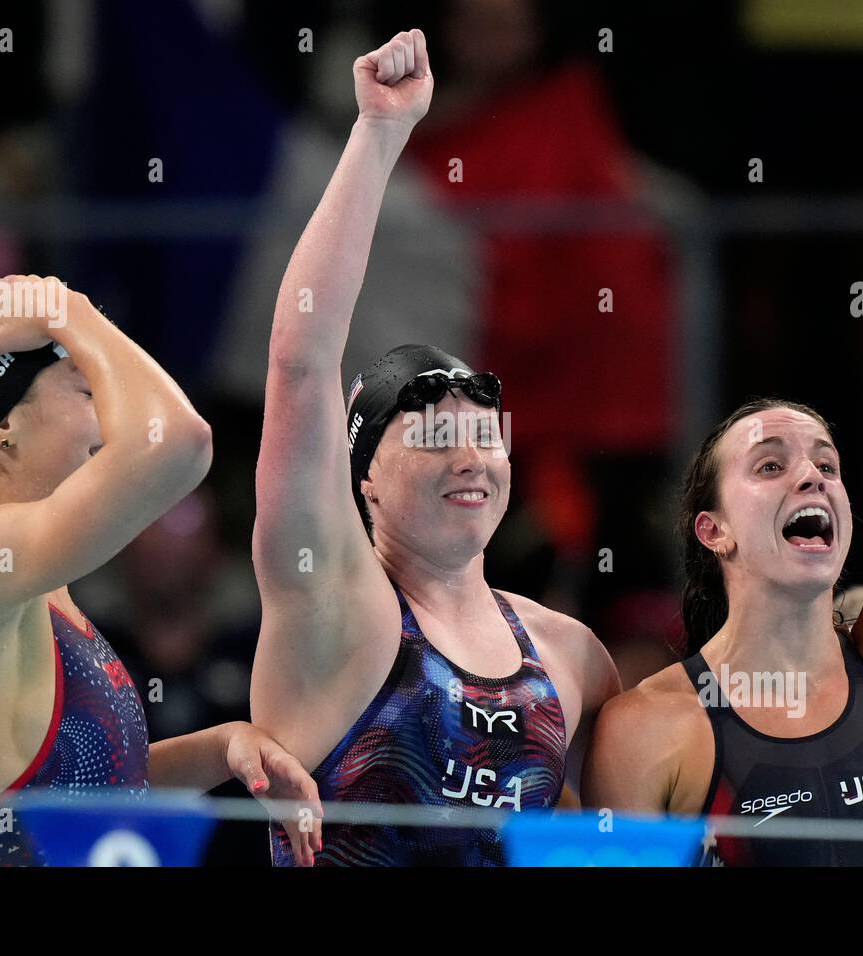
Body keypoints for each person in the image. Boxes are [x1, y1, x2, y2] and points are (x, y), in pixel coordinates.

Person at [583, 38, 863, 866]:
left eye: (826, 464)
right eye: (771, 465)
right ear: (712, 531)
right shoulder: (651, 729)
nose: (812, 474)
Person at [250, 29, 620, 867]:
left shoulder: (569, 657)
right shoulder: (330, 605)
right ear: (365, 480)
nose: (470, 458)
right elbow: (301, 367)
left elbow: (633, 842)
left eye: (486, 437)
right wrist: (378, 135)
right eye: (435, 438)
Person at [0, 275, 322, 866]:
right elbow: (179, 442)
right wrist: (70, 310)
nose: (109, 421)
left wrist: (221, 747)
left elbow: (88, 798)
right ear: (4, 423)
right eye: (85, 393)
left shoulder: (26, 575)